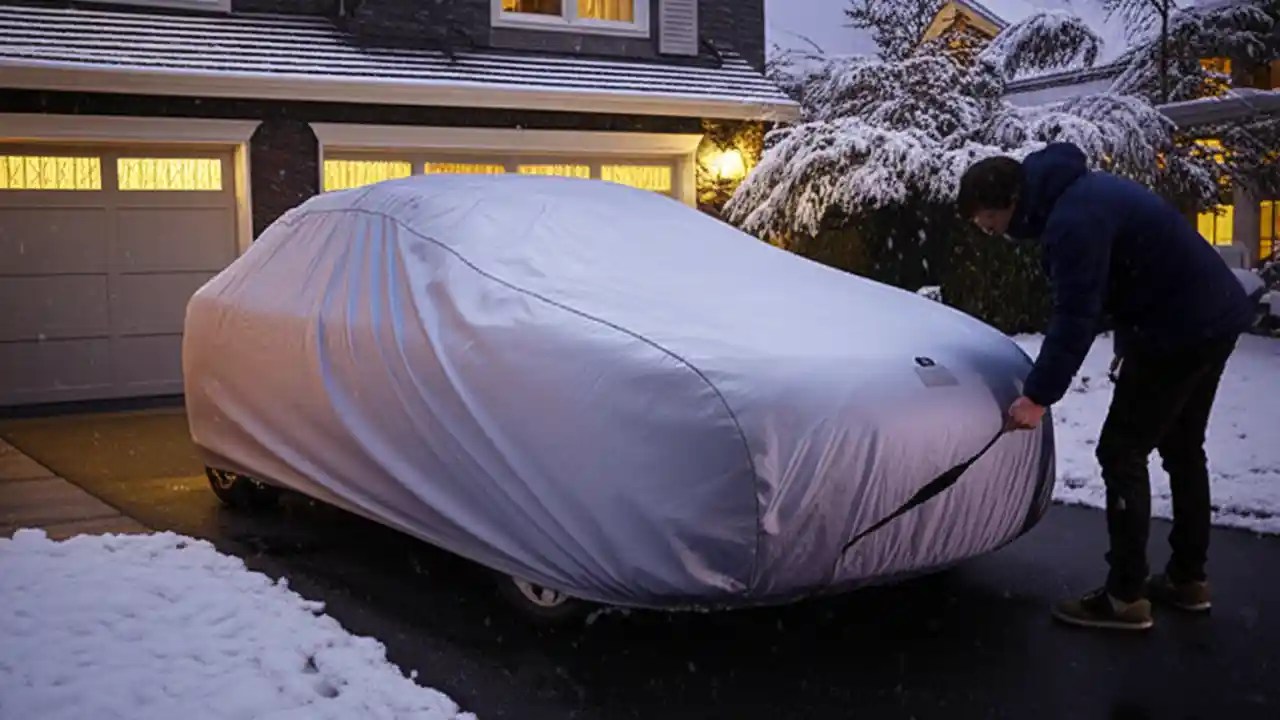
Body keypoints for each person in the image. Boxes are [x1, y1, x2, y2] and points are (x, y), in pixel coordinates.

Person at [956, 141, 1253, 631]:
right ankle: (1186, 578)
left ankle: (1124, 596)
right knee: (1182, 447)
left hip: (1177, 331)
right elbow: (1130, 275)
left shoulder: (1072, 222)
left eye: (987, 220)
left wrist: (1037, 396)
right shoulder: (1082, 195)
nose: (989, 232)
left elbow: (1075, 316)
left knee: (1121, 453)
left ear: (1009, 202)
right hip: (1210, 318)